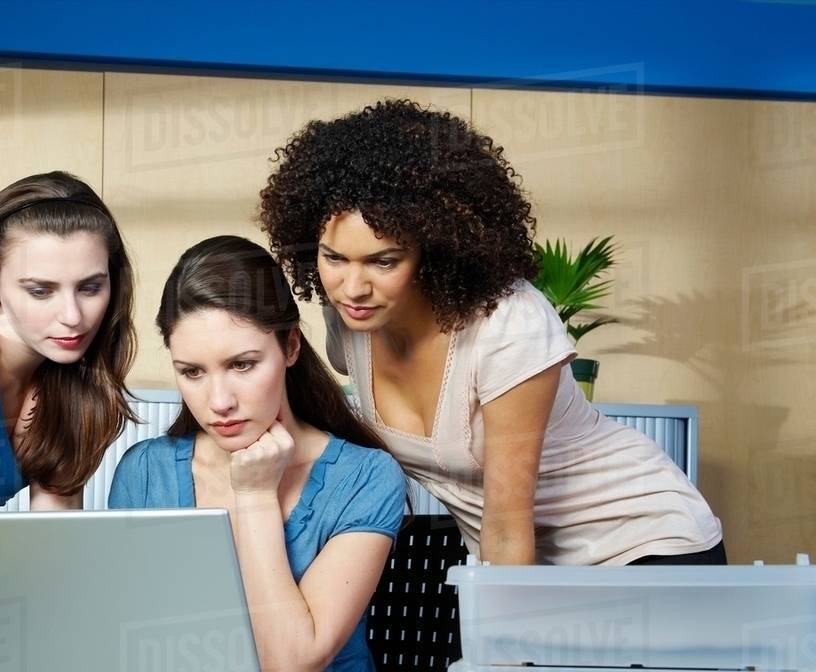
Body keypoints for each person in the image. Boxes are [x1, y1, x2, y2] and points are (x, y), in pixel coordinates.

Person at [257, 99, 724, 566]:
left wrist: (501, 631)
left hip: (644, 542)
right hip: (527, 565)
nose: (353, 287)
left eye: (384, 261)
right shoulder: (354, 319)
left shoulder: (508, 325)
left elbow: (506, 523)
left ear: (433, 251)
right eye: (334, 258)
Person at [108, 236, 407, 672]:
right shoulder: (145, 473)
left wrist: (255, 496)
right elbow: (124, 649)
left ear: (290, 347)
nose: (220, 402)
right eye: (192, 372)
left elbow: (287, 671)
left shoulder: (366, 477)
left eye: (243, 365)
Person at [0, 171, 136, 511]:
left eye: (90, 287)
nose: (72, 316)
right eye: (41, 291)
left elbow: (55, 533)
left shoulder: (71, 374)